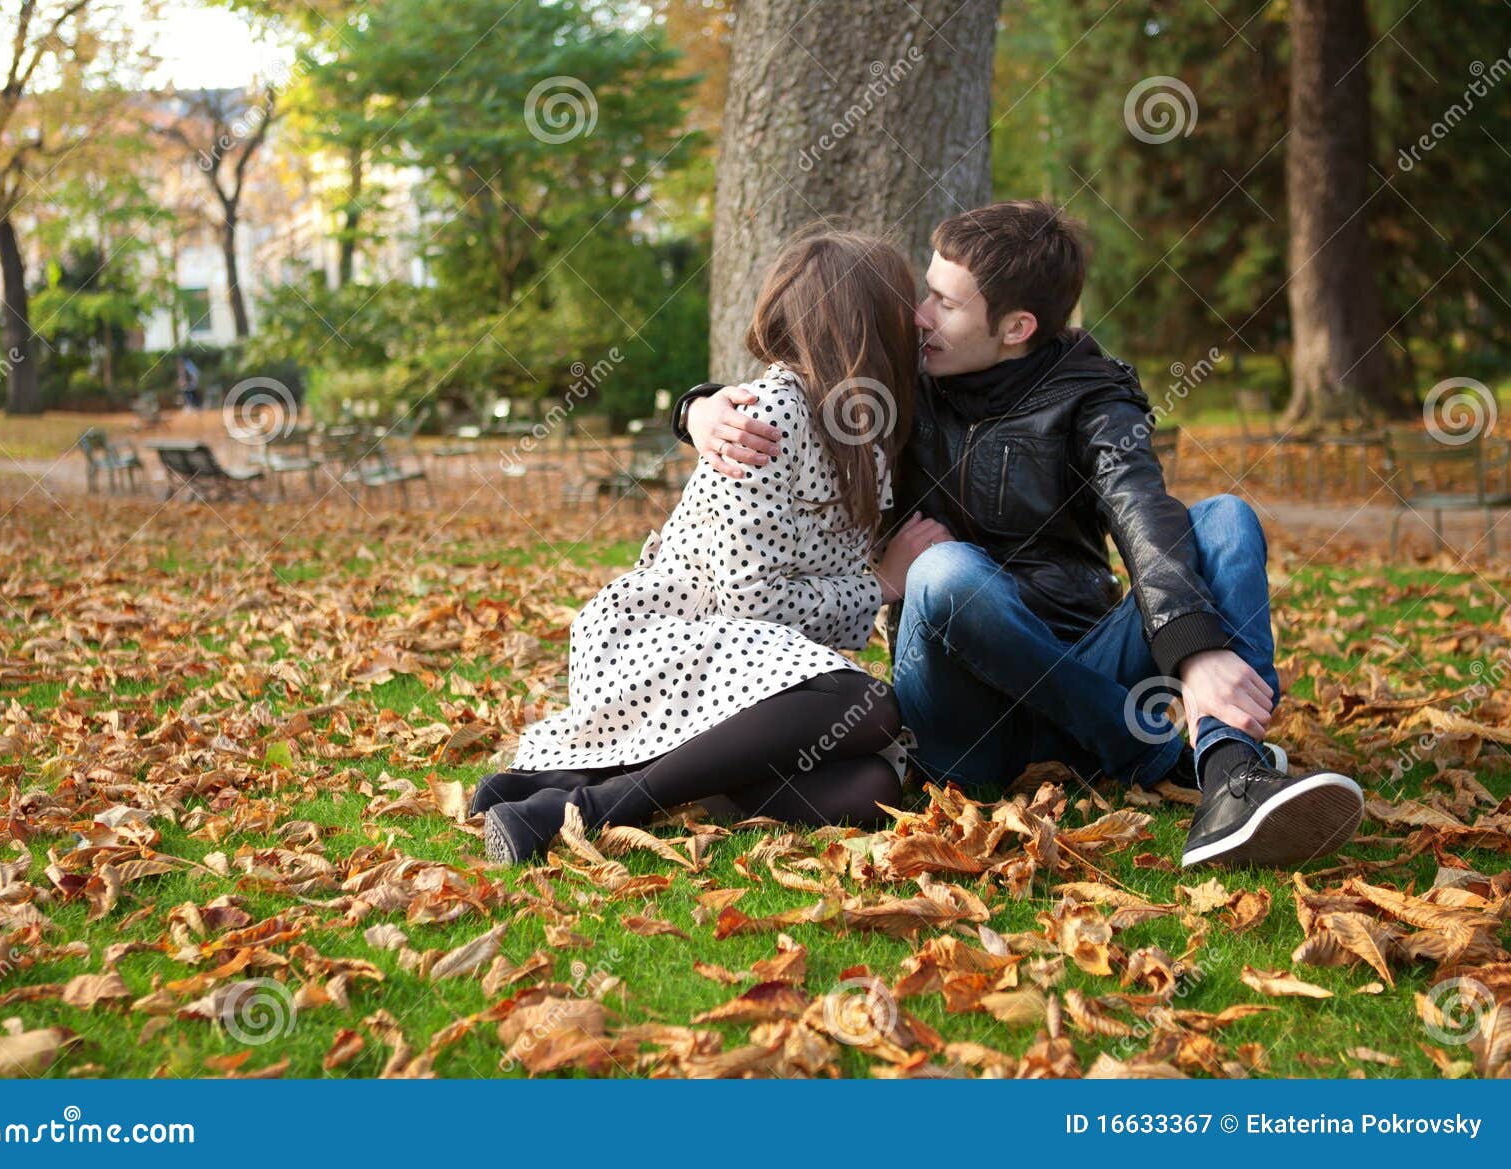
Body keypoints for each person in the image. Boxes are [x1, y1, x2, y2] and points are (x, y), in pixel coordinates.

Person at [672, 200, 1365, 870]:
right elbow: (800, 377)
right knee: (942, 572)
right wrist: (699, 408)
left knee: (1226, 518)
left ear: (1016, 326)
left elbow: (1144, 513)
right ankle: (1144, 751)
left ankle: (1231, 775)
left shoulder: (1093, 393)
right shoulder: (908, 378)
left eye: (946, 302)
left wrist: (1196, 648)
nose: (919, 317)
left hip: (1084, 657)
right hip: (962, 717)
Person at [475, 229, 946, 864]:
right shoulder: (765, 420)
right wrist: (881, 585)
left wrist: (690, 405)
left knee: (870, 789)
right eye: (903, 303)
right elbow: (754, 605)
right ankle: (583, 809)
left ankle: (574, 785)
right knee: (862, 704)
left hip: (744, 673)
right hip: (664, 637)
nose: (917, 319)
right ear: (860, 325)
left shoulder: (863, 421)